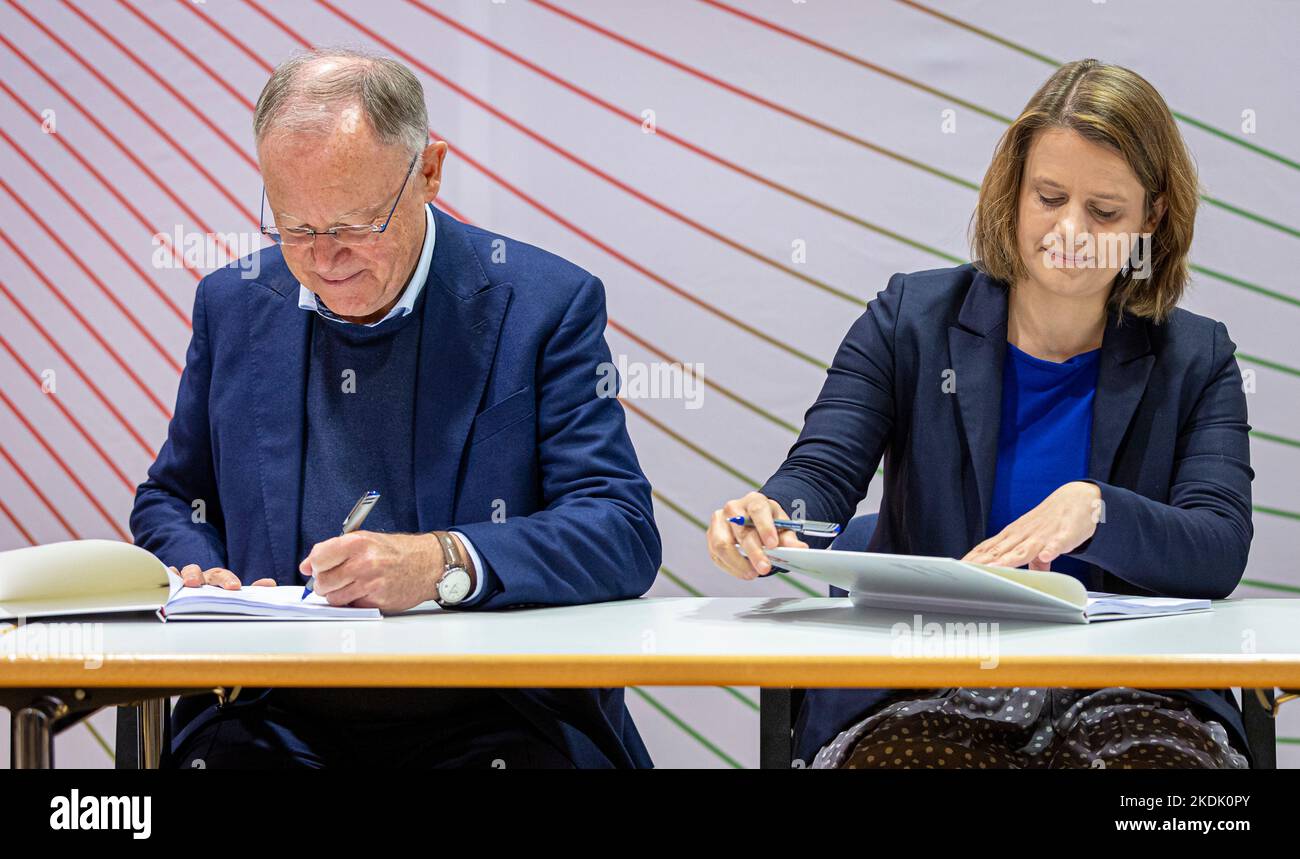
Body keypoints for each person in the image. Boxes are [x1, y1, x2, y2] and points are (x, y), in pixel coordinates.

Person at [707, 59, 1253, 769]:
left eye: (1105, 211)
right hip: (928, 686)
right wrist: (771, 517)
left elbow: (1217, 546)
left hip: (1134, 689)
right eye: (1048, 196)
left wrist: (1099, 510)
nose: (1070, 229)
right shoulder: (911, 319)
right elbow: (822, 470)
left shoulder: (1196, 355)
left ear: (1152, 216)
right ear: (1014, 193)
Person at [131, 47, 661, 769]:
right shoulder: (233, 304)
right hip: (273, 710)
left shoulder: (543, 304)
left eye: (355, 225)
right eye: (294, 227)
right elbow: (170, 497)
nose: (325, 259)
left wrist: (445, 562)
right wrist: (202, 576)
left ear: (430, 173)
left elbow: (619, 528)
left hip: (490, 705)